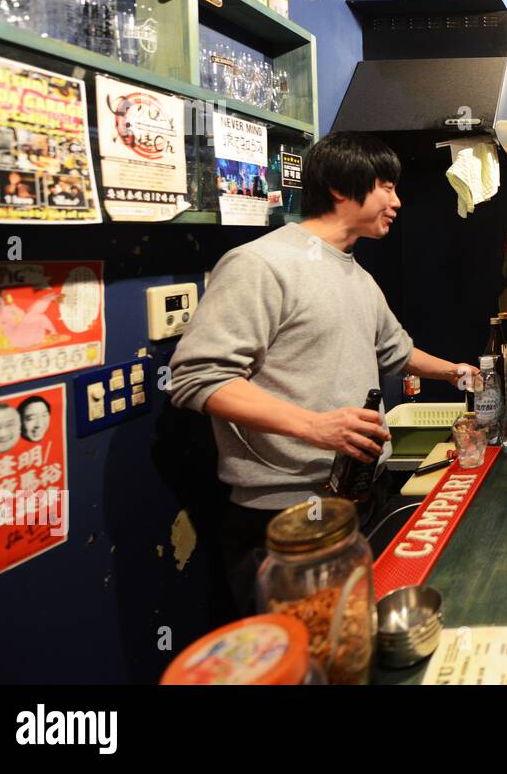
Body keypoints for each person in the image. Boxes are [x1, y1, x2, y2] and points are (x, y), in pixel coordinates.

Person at [168, 132, 479, 611]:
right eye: (386, 186)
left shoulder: (358, 276)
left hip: (360, 497)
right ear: (339, 186)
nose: (397, 200)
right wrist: (316, 426)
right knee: (313, 658)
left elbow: (397, 352)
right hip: (288, 516)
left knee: (356, 646)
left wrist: (458, 373)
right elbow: (197, 378)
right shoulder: (260, 264)